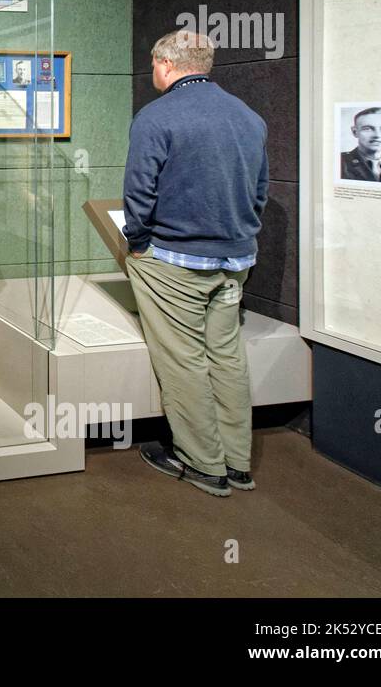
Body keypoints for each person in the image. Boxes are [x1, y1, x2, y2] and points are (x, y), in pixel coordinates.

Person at [122, 30, 268, 497]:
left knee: (184, 360)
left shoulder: (156, 116)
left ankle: (203, 463)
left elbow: (139, 193)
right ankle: (238, 463)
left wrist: (138, 242)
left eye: (153, 65)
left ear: (165, 64)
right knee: (226, 355)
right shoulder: (248, 116)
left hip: (176, 261)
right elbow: (260, 192)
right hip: (236, 258)